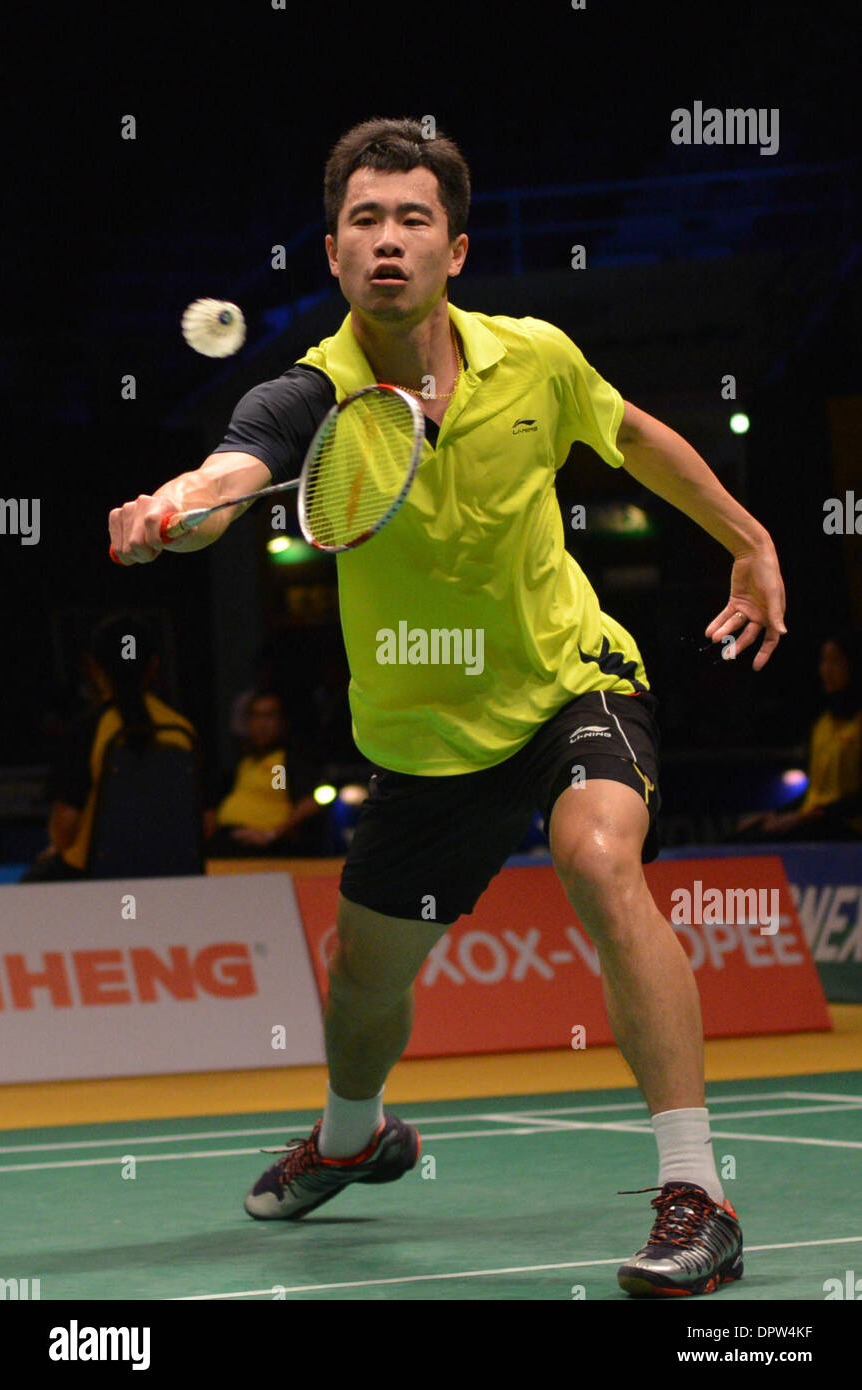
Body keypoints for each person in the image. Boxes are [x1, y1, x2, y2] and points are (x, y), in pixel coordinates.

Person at [108, 117, 787, 1298]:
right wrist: (175, 505)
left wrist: (749, 537)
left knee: (595, 856)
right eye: (363, 220)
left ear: (455, 249)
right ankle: (350, 1135)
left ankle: (695, 1193)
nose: (387, 241)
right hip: (426, 744)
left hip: (570, 679)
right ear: (332, 252)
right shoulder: (308, 391)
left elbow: (626, 435)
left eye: (411, 219)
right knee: (361, 984)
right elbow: (231, 475)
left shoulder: (534, 356)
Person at [20, 614, 198, 881]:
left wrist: (57, 848)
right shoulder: (183, 731)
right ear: (154, 665)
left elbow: (64, 829)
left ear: (93, 667)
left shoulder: (85, 730)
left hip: (92, 876)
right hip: (175, 873)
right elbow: (204, 825)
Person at [736, 631, 862, 841]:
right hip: (814, 820)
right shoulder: (822, 725)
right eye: (823, 662)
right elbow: (815, 793)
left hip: (846, 828)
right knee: (745, 834)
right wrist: (775, 815)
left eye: (836, 662)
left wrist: (805, 818)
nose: (827, 670)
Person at [204, 690, 324, 855]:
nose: (262, 724)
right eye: (256, 716)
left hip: (261, 848)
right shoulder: (244, 761)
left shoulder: (282, 763)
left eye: (269, 716)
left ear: (282, 722)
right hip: (225, 840)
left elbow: (311, 802)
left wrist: (271, 835)